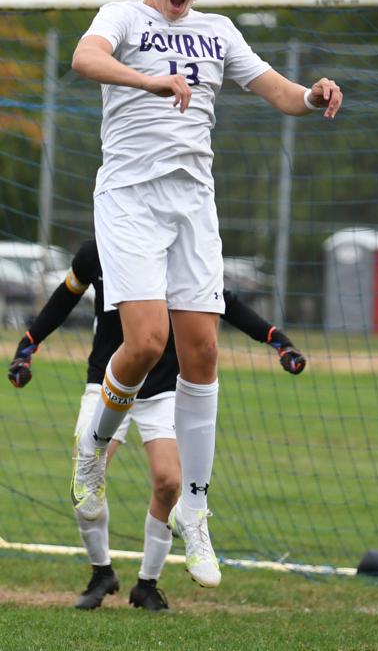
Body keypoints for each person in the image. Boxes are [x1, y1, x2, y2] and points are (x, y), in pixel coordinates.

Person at [69, 0, 343, 589]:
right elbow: (84, 58)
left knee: (204, 349)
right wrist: (150, 81)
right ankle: (93, 449)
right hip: (131, 199)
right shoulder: (124, 18)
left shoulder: (218, 33)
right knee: (142, 343)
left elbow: (278, 92)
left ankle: (195, 506)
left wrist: (312, 95)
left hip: (194, 204)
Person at [8, 238, 306, 610]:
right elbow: (64, 298)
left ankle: (147, 583)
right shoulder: (97, 250)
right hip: (106, 382)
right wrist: (27, 346)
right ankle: (102, 571)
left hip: (162, 389)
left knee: (169, 482)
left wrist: (279, 341)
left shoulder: (184, 255)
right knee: (87, 473)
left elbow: (225, 302)